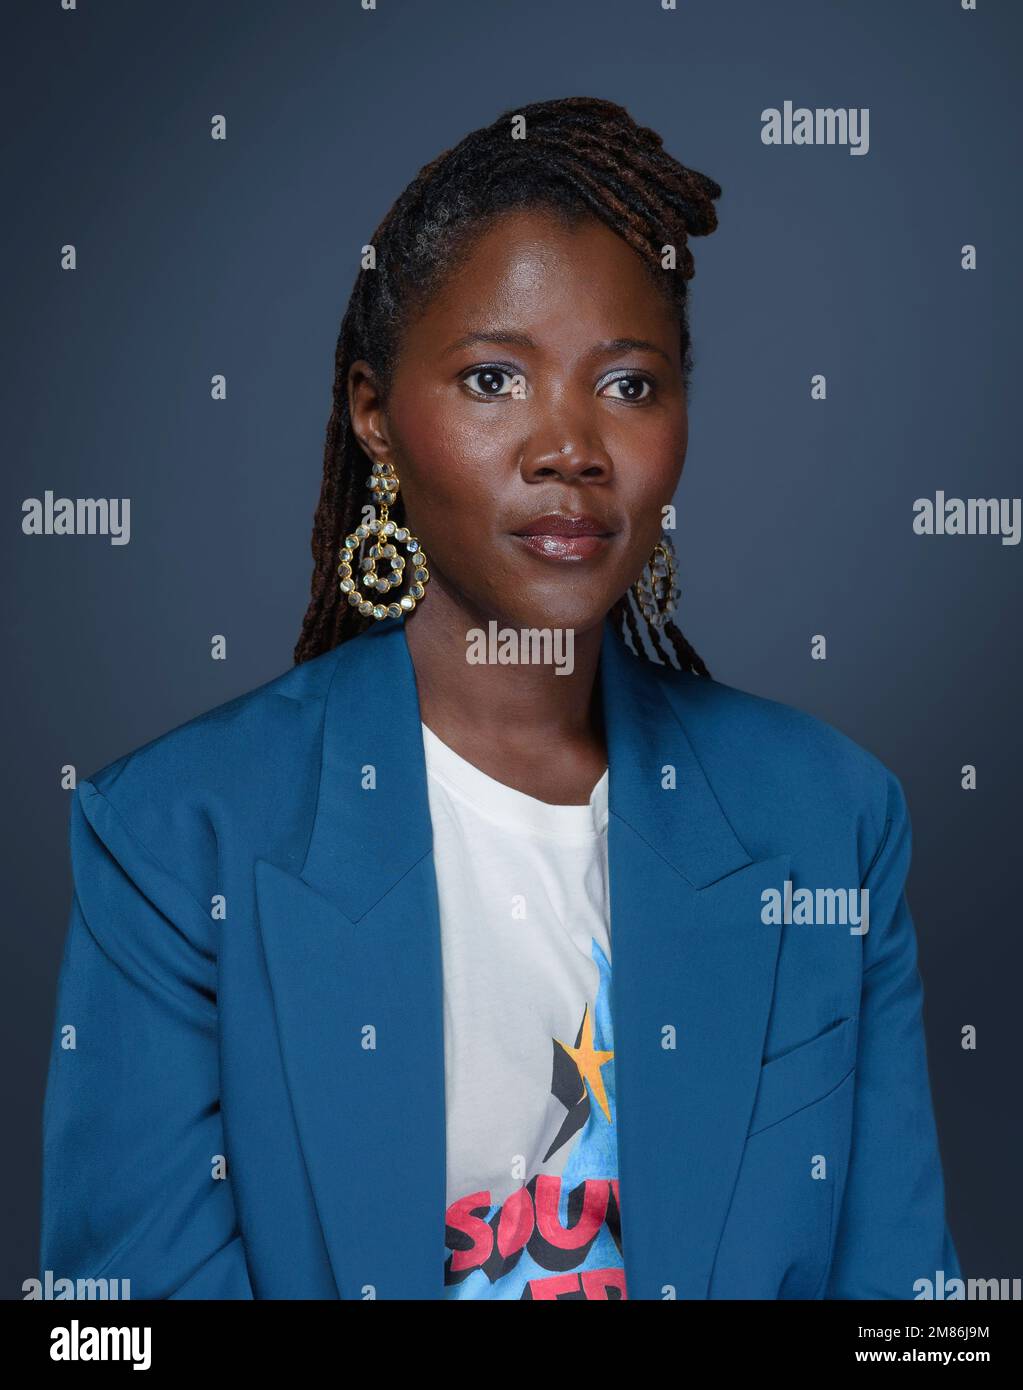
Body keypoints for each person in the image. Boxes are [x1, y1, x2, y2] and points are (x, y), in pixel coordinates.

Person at [39, 96, 960, 1300]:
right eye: (492, 378)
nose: (568, 445)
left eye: (628, 387)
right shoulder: (175, 837)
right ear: (376, 416)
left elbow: (907, 1312)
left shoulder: (828, 817)